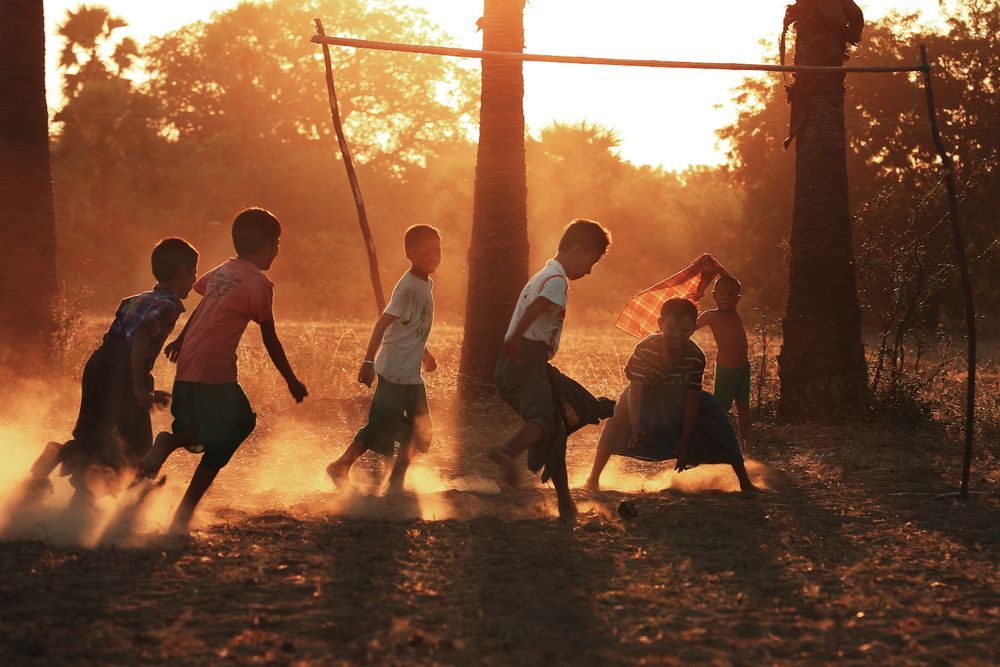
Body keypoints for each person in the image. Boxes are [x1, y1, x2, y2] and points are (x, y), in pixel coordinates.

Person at [134, 208, 307, 534]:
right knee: (237, 425)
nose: (277, 250)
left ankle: (167, 446)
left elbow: (204, 305)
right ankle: (183, 510)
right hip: (214, 369)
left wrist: (182, 340)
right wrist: (291, 380)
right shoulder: (259, 283)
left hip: (188, 365)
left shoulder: (223, 270)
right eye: (277, 244)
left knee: (200, 434)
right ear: (269, 245)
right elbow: (269, 337)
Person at [24, 239, 198, 506]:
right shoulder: (169, 305)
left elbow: (118, 341)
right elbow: (140, 337)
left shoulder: (133, 300)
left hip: (99, 363)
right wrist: (138, 387)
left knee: (92, 434)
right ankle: (98, 497)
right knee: (134, 446)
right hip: (124, 371)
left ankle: (59, 455)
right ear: (183, 272)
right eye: (194, 273)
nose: (195, 280)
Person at [489, 219, 613, 523]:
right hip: (526, 360)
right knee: (544, 421)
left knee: (555, 428)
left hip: (524, 363)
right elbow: (537, 307)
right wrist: (515, 338)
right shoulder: (556, 281)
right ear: (579, 251)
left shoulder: (545, 275)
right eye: (591, 262)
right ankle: (508, 452)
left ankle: (565, 503)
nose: (589, 270)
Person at [585, 297, 759, 493]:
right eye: (671, 329)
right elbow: (635, 391)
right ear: (660, 325)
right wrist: (636, 426)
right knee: (617, 419)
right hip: (645, 395)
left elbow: (693, 399)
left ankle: (744, 482)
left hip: (680, 396)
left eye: (684, 330)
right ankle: (593, 478)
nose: (677, 335)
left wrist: (685, 442)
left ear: (693, 329)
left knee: (719, 421)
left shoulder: (696, 356)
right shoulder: (645, 348)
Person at [326, 225, 440, 495]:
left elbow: (411, 326)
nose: (433, 257)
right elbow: (383, 324)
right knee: (382, 424)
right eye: (425, 252)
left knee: (421, 429)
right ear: (410, 253)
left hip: (410, 373)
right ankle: (341, 466)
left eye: (436, 251)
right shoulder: (408, 288)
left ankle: (396, 481)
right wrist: (368, 362)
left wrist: (424, 352)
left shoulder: (426, 283)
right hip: (394, 370)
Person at [697, 274, 751, 442]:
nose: (726, 297)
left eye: (730, 294)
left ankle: (747, 441)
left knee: (743, 405)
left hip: (743, 367)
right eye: (721, 294)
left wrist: (719, 270)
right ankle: (713, 439)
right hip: (726, 369)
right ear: (714, 296)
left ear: (737, 298)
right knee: (720, 408)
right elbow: (690, 327)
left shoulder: (733, 311)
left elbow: (732, 281)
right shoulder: (711, 316)